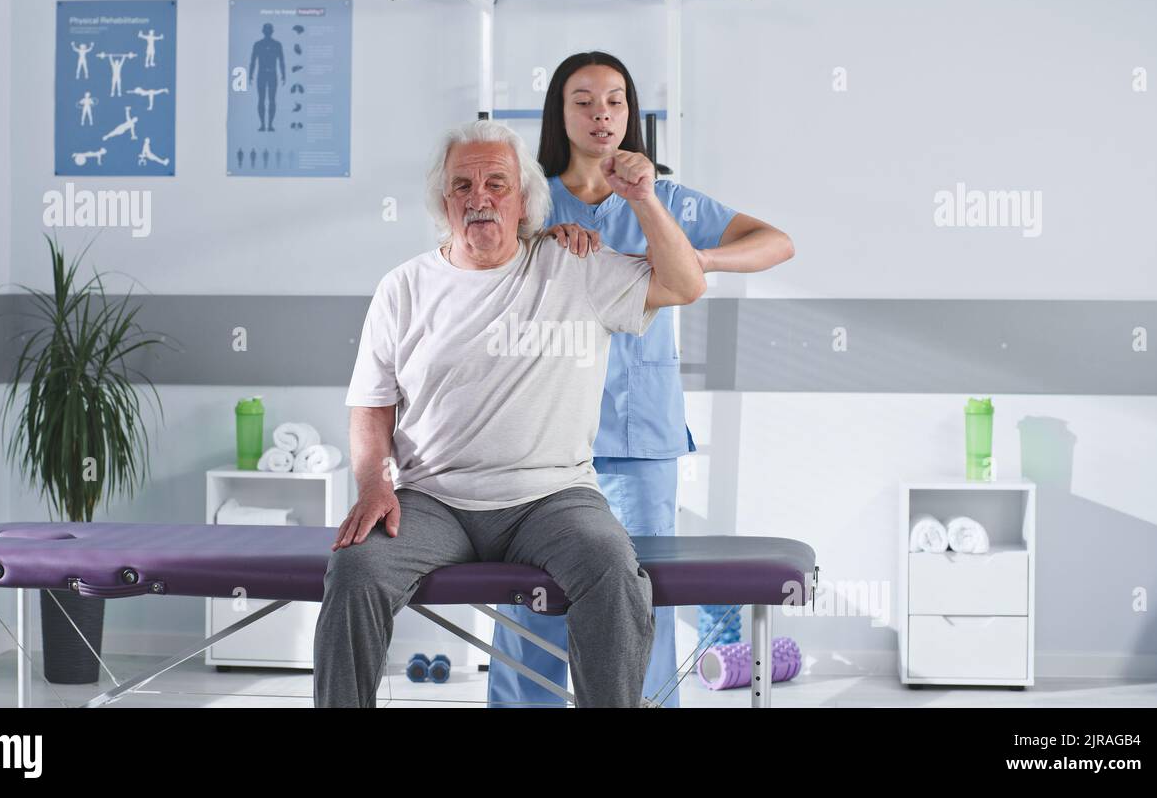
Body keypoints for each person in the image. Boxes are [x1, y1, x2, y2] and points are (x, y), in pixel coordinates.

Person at [312, 118, 707, 708]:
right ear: (444, 202)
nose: (479, 199)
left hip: (552, 498)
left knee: (615, 573)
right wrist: (374, 483)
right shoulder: (403, 287)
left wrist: (644, 198)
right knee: (355, 573)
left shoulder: (576, 267)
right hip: (432, 499)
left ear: (524, 200)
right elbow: (372, 405)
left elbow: (685, 283)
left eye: (497, 184)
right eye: (463, 186)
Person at [489, 51, 796, 708]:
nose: (602, 113)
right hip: (543, 434)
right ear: (559, 113)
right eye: (584, 100)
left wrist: (687, 253)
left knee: (639, 591)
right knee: (531, 594)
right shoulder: (530, 197)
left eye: (616, 101)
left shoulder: (668, 196)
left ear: (631, 114)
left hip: (639, 434)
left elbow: (776, 242)